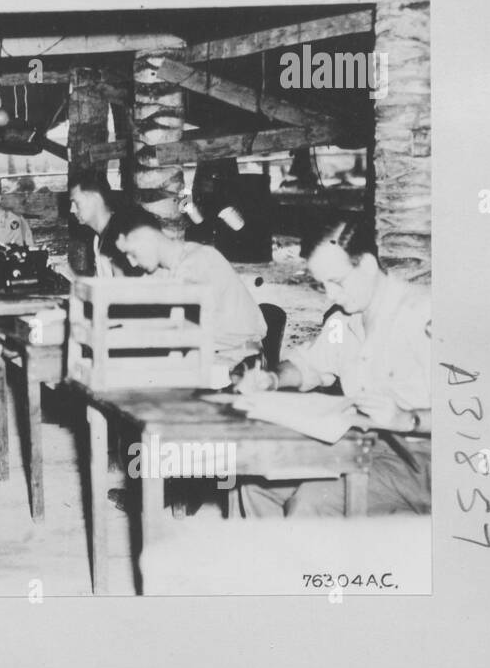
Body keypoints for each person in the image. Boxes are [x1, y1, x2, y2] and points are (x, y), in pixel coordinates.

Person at [235, 217, 431, 517]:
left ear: (366, 264)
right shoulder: (345, 321)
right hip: (362, 446)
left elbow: (471, 410)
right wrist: (271, 379)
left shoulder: (421, 315)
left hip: (420, 462)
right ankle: (274, 565)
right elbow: (309, 365)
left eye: (336, 282)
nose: (330, 295)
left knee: (313, 501)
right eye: (322, 284)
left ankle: (316, 565)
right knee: (256, 485)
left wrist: (407, 419)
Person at [107, 206, 267, 371]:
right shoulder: (160, 273)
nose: (132, 262)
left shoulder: (199, 260)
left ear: (146, 235)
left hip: (238, 362)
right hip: (212, 358)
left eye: (131, 253)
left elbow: (181, 331)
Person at [66, 168, 124, 276]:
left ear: (96, 198)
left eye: (76, 202)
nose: (72, 209)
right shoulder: (98, 239)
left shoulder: (121, 237)